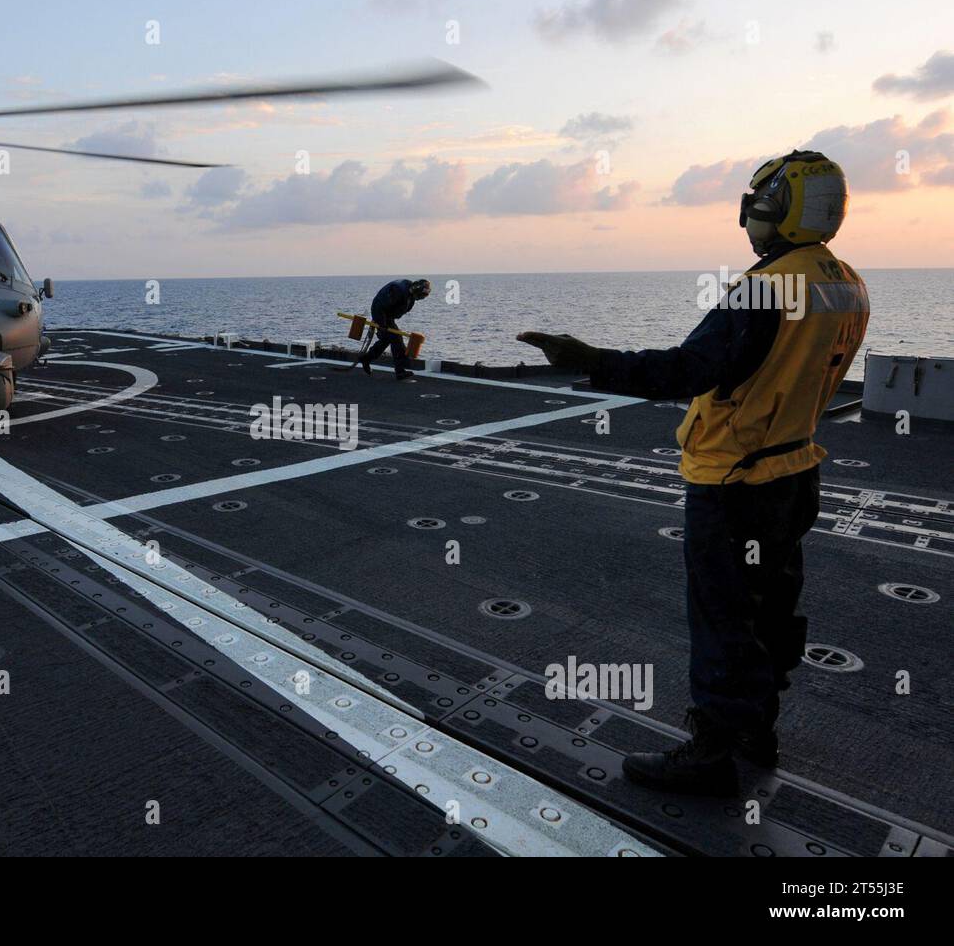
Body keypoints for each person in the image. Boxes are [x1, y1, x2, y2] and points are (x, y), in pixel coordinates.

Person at [518, 150, 870, 795]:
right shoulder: (844, 281)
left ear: (782, 212)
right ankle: (757, 727)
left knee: (721, 615)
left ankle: (712, 750)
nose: (750, 221)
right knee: (773, 606)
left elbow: (687, 371)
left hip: (734, 481)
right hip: (795, 470)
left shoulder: (767, 287)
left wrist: (587, 357)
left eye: (760, 207)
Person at [360, 278, 431, 379]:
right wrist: (381, 323)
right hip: (380, 312)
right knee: (396, 338)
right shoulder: (398, 291)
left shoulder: (409, 294)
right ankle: (400, 371)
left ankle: (367, 358)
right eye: (420, 296)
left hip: (387, 315)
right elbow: (380, 306)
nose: (419, 298)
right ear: (416, 290)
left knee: (387, 339)